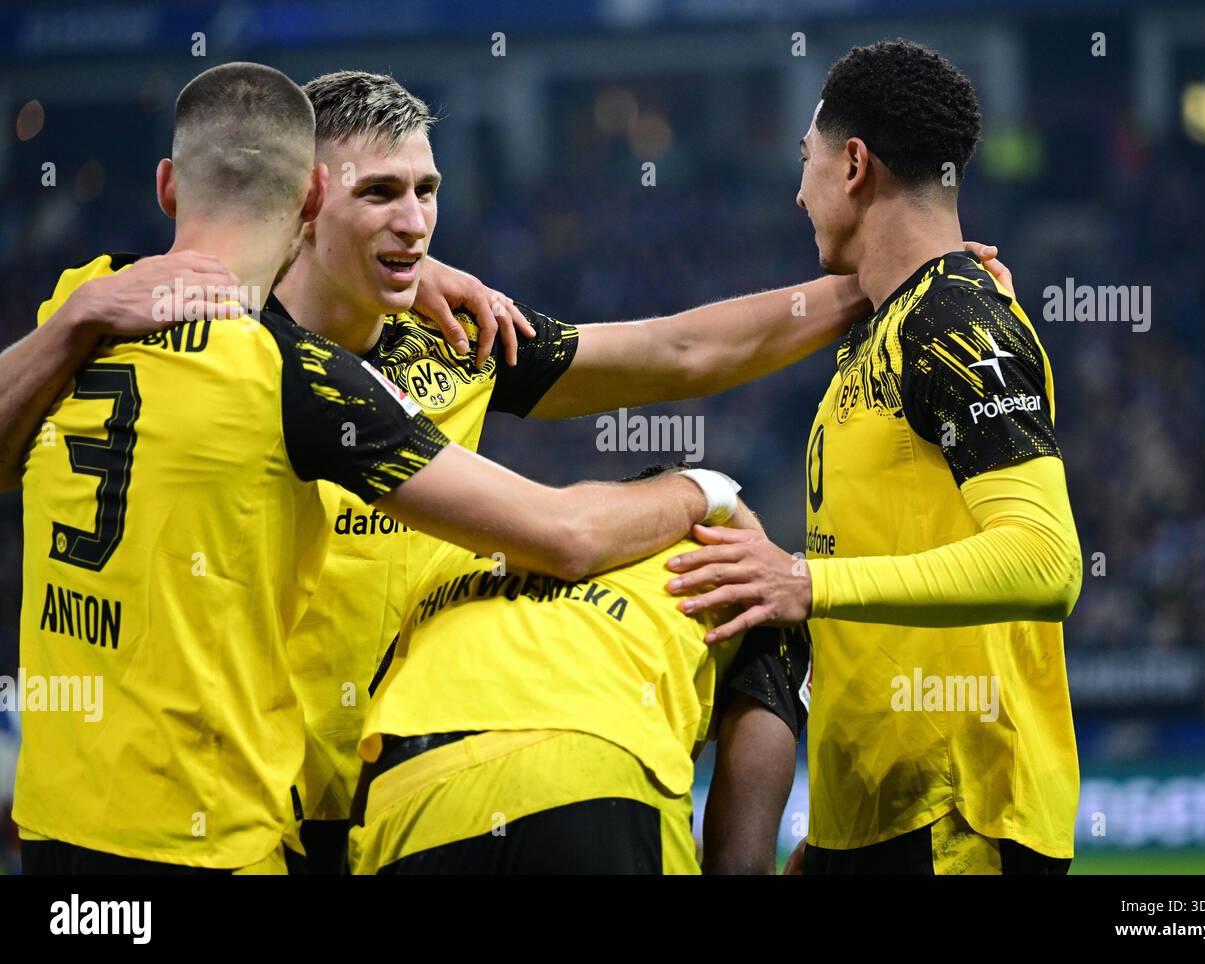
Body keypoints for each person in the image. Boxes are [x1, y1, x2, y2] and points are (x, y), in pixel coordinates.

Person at [7, 62, 738, 874]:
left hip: (59, 830)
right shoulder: (293, 371)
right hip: (217, 834)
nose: (414, 217)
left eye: (426, 192)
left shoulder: (92, 296)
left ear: (168, 187)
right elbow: (562, 532)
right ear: (313, 197)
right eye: (382, 193)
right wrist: (704, 488)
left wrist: (66, 325)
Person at [667, 40, 1082, 874]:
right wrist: (828, 846)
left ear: (854, 164)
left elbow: (1048, 560)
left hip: (957, 813)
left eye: (806, 162)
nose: (798, 191)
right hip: (879, 817)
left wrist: (801, 582)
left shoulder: (957, 321)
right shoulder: (882, 335)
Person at [349, 469, 810, 874]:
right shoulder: (750, 581)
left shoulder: (458, 555)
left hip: (409, 800)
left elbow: (376, 740)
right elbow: (739, 863)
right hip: (596, 775)